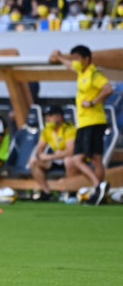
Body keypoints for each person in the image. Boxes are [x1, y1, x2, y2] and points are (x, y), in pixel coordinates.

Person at [51, 45, 114, 205]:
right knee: (96, 159)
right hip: (87, 122)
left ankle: (98, 185)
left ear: (86, 59)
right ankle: (99, 193)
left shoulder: (93, 73)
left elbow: (107, 89)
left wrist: (92, 102)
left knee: (79, 159)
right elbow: (70, 66)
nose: (75, 62)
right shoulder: (82, 72)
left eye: (77, 58)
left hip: (92, 121)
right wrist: (59, 57)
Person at [28, 106, 76, 201]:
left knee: (68, 161)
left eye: (50, 116)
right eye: (46, 116)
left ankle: (72, 192)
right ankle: (47, 193)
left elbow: (70, 151)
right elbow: (39, 150)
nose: (47, 118)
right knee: (34, 161)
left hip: (71, 159)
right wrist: (42, 156)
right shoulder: (46, 130)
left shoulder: (69, 128)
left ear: (59, 117)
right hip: (56, 159)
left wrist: (50, 156)